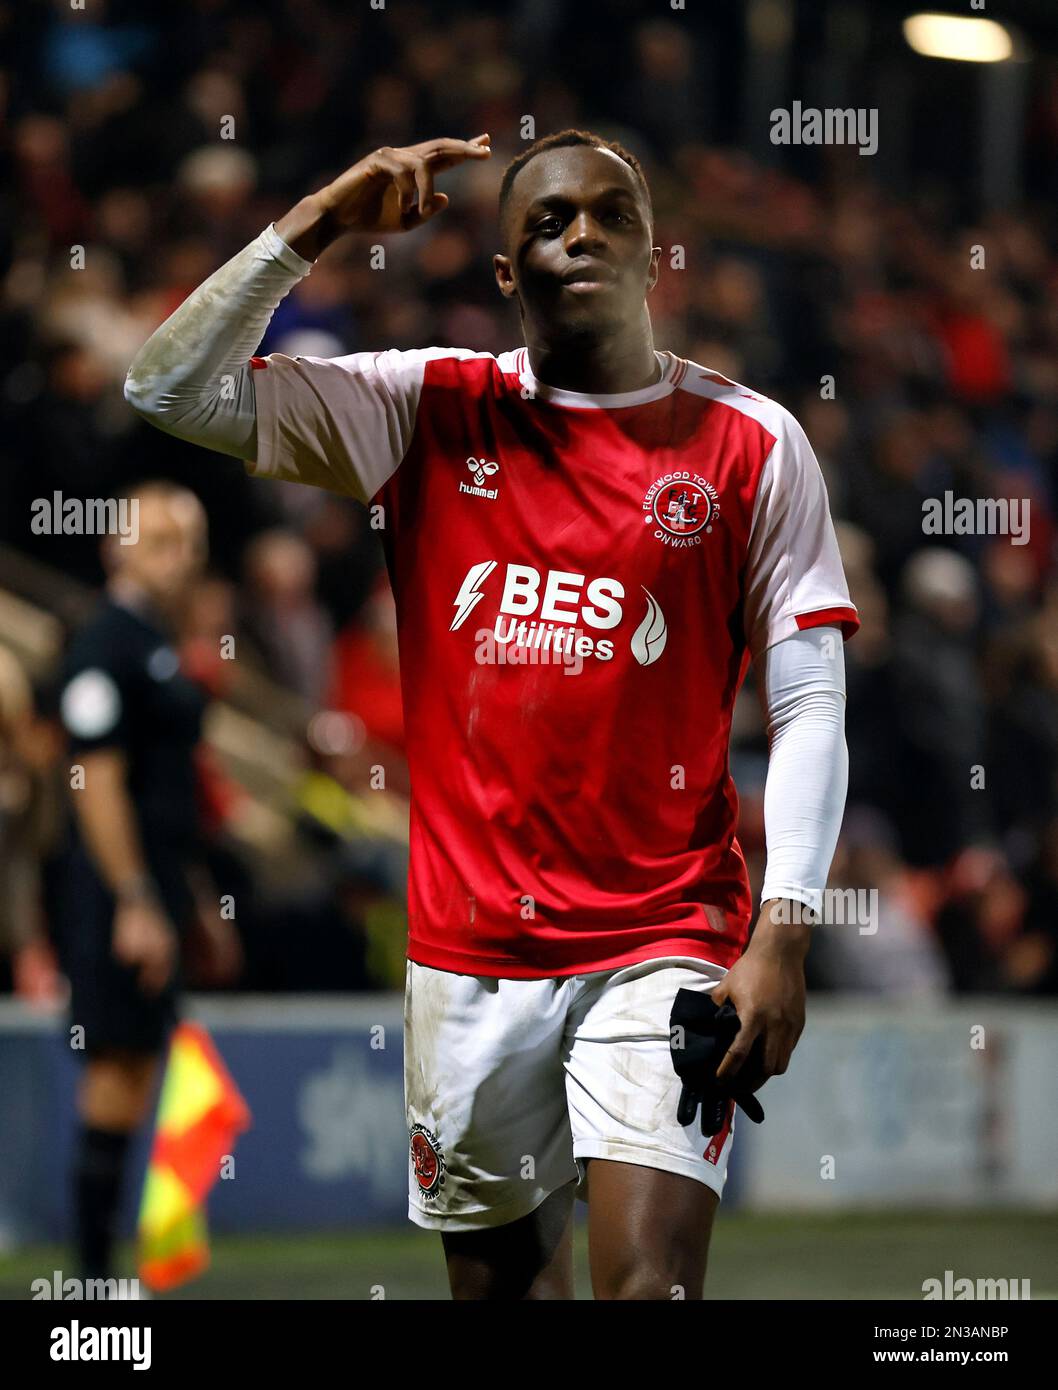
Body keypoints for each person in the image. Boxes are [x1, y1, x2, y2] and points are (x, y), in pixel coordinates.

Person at [123, 129, 858, 1300]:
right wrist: (312, 224)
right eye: (545, 223)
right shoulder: (427, 407)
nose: (579, 236)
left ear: (651, 245)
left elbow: (809, 696)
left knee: (646, 1289)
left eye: (606, 214)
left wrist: (783, 926)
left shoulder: (752, 444)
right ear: (506, 273)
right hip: (469, 956)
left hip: (662, 929)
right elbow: (165, 389)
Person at [53, 481, 235, 1284]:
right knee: (116, 1072)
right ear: (116, 546)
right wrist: (133, 901)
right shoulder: (105, 646)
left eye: (189, 543)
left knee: (136, 1070)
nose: (181, 559)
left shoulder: (154, 645)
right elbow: (95, 784)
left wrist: (189, 898)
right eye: (161, 540)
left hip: (154, 888)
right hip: (111, 895)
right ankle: (91, 1284)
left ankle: (107, 1272)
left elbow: (168, 792)